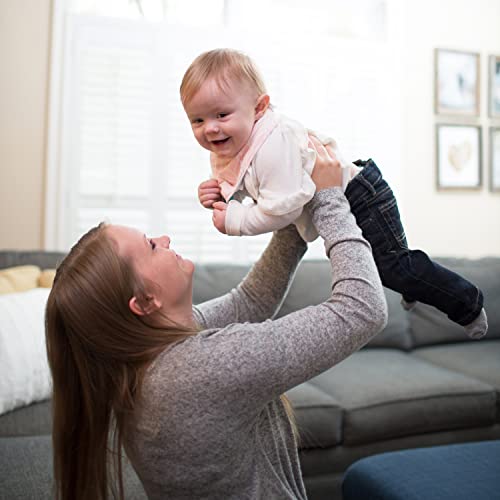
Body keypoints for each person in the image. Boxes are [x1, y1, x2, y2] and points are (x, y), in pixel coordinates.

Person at [45, 139, 387, 500]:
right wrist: (329, 198)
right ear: (144, 301)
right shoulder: (199, 370)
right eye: (150, 246)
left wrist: (288, 199)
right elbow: (362, 307)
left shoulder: (154, 354)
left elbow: (252, 300)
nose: (164, 238)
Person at [180, 48, 488, 339]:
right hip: (343, 195)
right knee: (393, 267)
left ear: (259, 108)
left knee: (394, 267)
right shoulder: (232, 143)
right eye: (198, 120)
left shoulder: (273, 143)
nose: (210, 129)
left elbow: (282, 210)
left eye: (221, 115)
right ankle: (412, 286)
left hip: (361, 195)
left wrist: (233, 220)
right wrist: (219, 195)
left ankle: (468, 302)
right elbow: (248, 186)